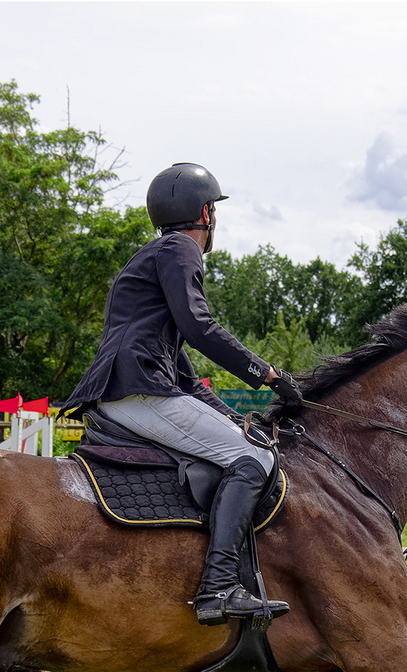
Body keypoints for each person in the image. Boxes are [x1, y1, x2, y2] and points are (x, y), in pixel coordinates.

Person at [61, 162, 302, 626]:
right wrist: (267, 374)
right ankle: (219, 588)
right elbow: (199, 328)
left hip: (135, 386)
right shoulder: (180, 249)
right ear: (207, 214)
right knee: (256, 462)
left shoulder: (155, 253)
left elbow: (185, 374)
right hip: (138, 390)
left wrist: (233, 418)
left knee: (247, 445)